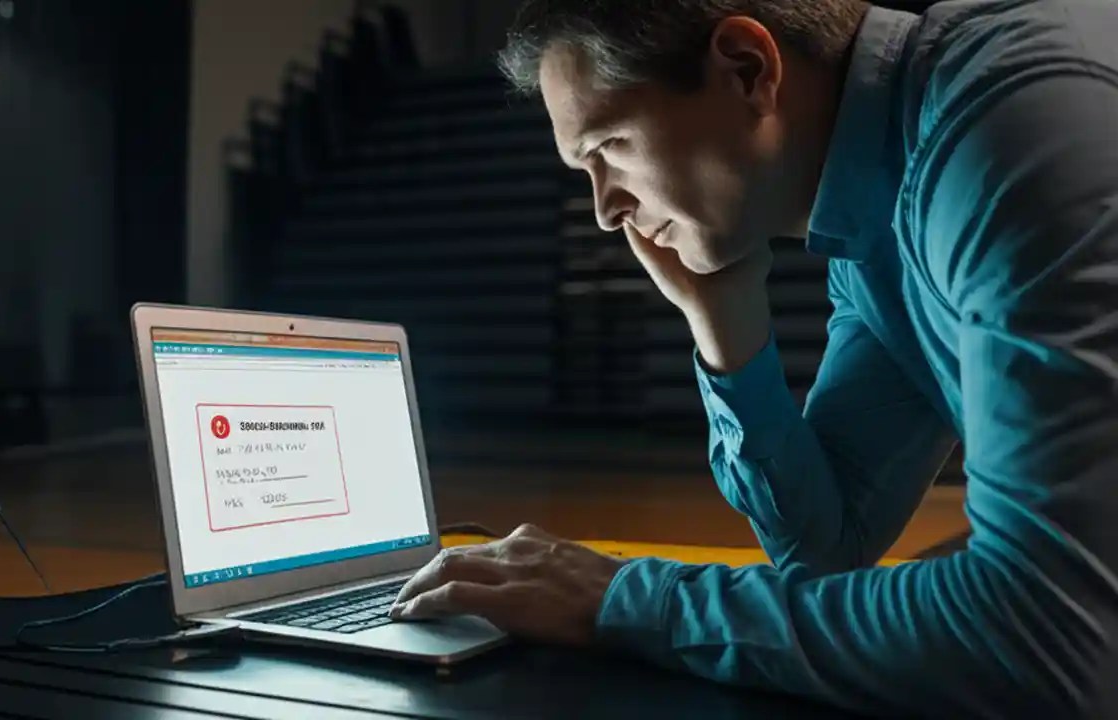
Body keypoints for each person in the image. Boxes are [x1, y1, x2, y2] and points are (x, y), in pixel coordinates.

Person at [389, 0, 1118, 716]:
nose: (606, 210)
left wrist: (627, 599)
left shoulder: (1011, 133)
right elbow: (829, 548)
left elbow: (1047, 637)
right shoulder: (875, 226)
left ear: (746, 70)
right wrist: (725, 323)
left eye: (608, 146)